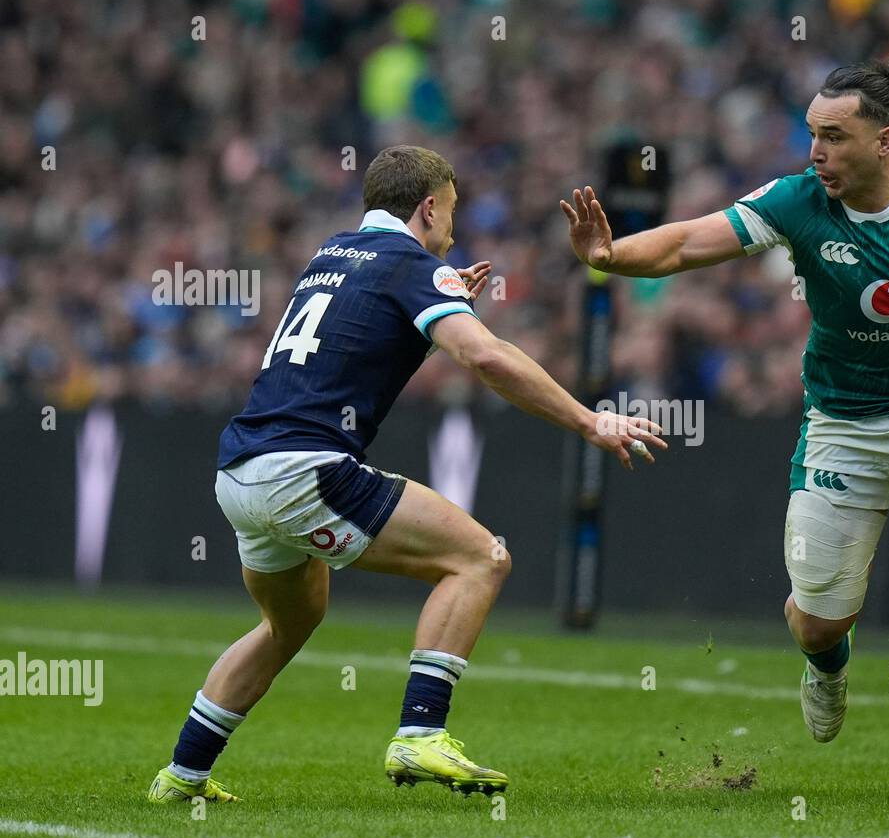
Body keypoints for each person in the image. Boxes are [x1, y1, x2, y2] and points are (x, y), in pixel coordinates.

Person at [562, 50, 889, 801]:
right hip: (844, 423)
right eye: (812, 134)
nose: (816, 151)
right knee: (819, 623)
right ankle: (828, 663)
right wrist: (609, 255)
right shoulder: (798, 200)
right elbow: (686, 242)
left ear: (885, 139)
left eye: (833, 136)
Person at [149, 145, 665, 803]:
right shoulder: (415, 267)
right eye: (450, 209)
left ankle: (182, 777)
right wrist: (590, 422)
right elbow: (486, 358)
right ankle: (421, 733)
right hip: (308, 469)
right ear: (427, 206)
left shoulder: (332, 253)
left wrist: (438, 301)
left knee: (289, 623)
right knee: (481, 559)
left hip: (242, 469)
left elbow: (358, 331)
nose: (453, 224)